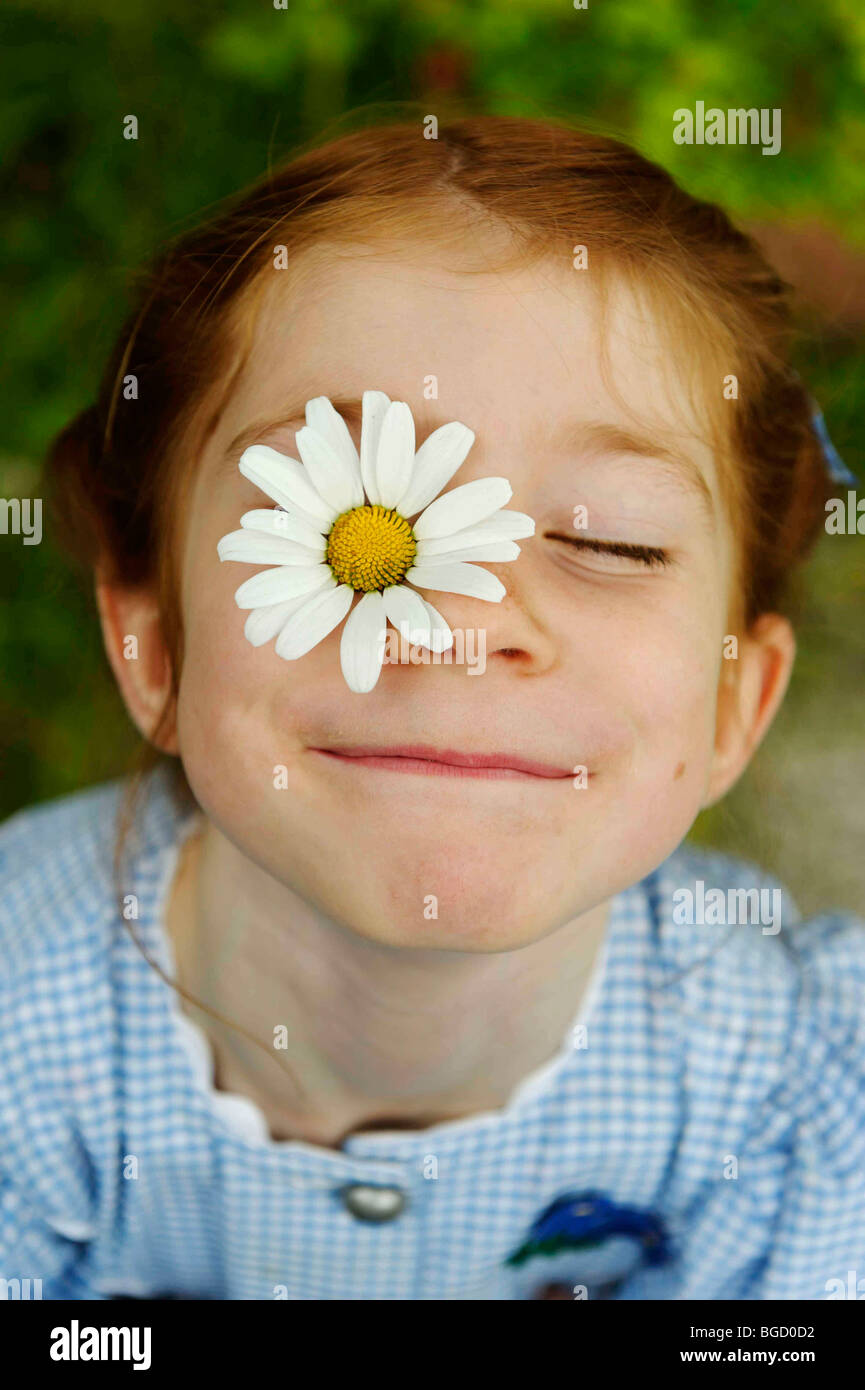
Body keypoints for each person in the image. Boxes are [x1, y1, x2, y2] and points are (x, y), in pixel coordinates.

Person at [1, 115, 863, 1300]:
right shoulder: (18, 1049)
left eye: (606, 536)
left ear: (734, 702)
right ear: (154, 645)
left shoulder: (798, 1103)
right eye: (338, 530)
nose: (458, 620)